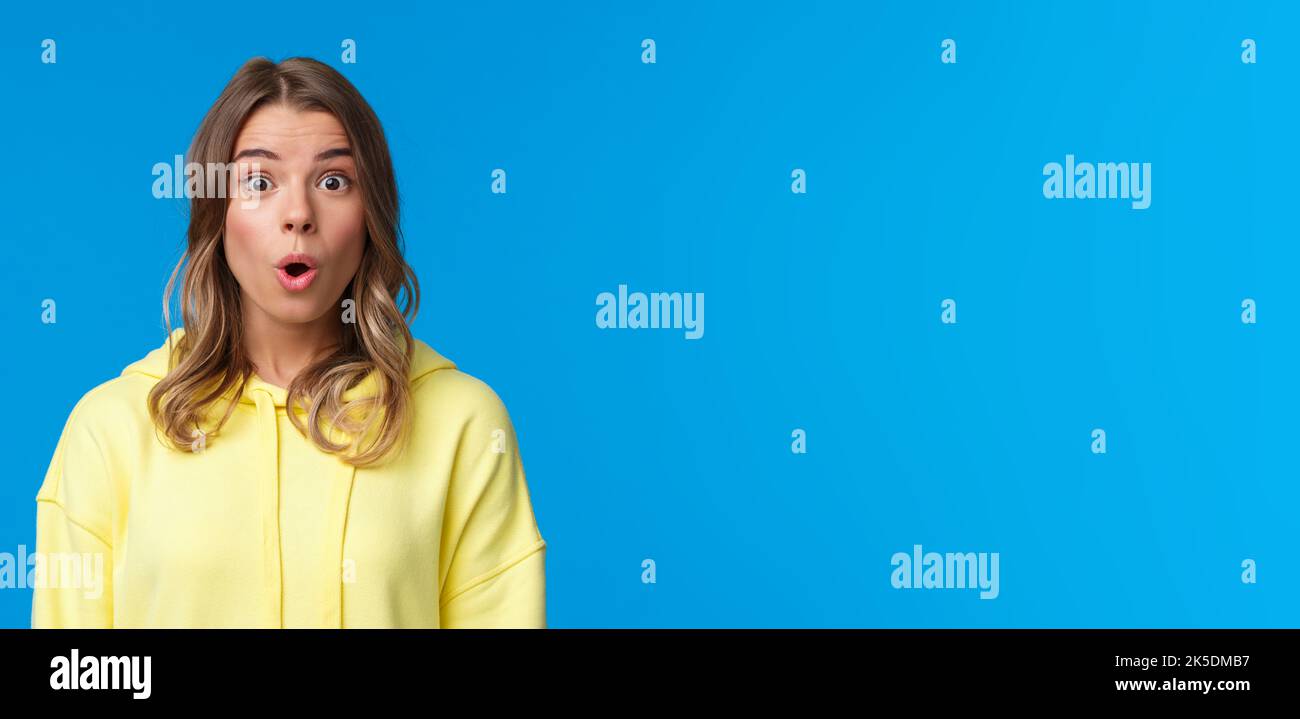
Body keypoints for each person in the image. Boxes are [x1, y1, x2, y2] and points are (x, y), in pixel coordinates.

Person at [30, 57, 546, 628]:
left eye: (333, 181)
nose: (299, 214)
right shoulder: (109, 429)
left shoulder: (464, 422)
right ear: (216, 213)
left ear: (370, 211)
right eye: (258, 182)